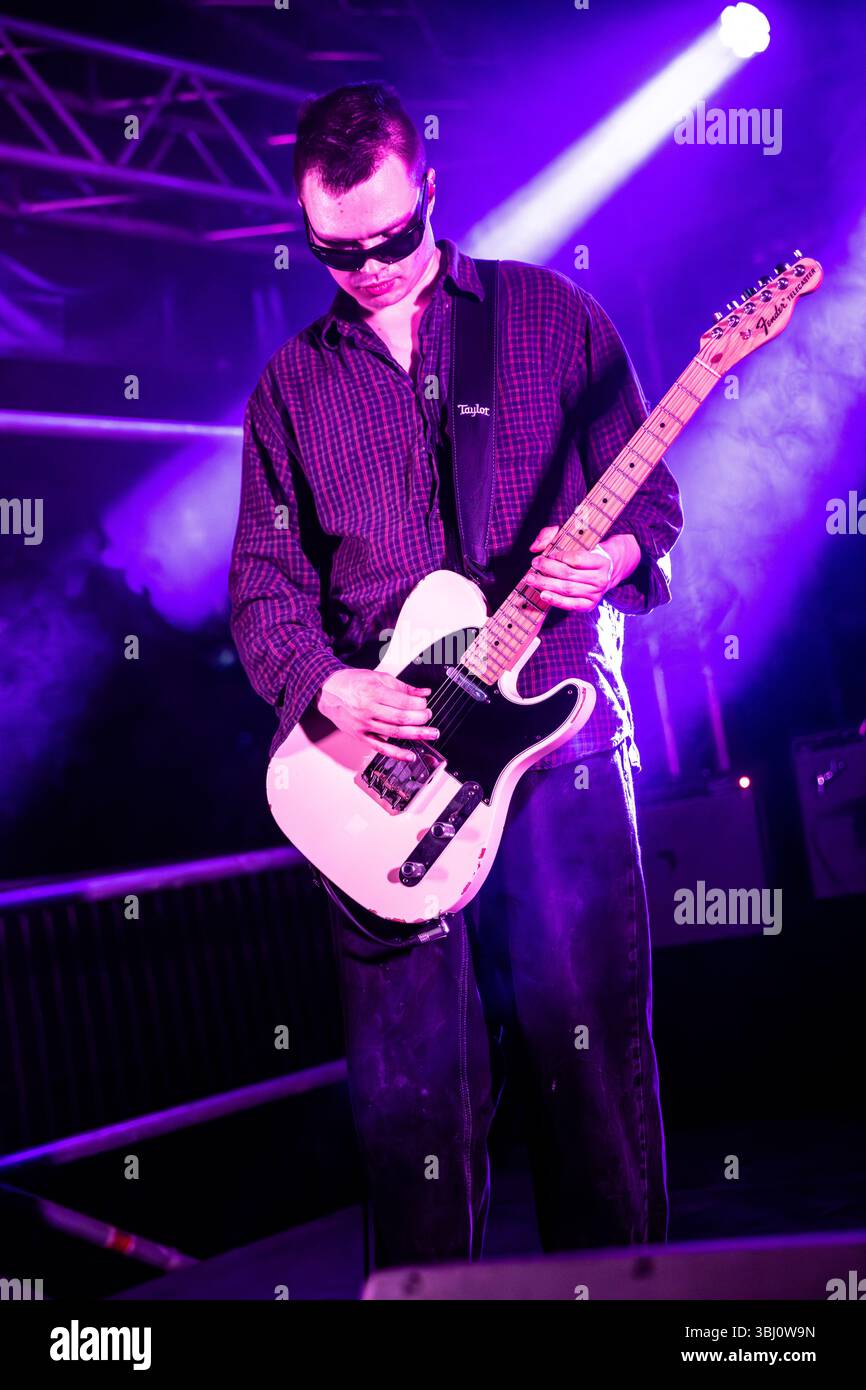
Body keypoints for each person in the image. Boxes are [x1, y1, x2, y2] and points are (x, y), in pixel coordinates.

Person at [229, 81, 683, 1269]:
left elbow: (651, 503)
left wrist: (610, 559)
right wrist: (329, 686)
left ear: (430, 191)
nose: (369, 266)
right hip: (385, 781)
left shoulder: (548, 319)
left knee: (589, 1077)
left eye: (388, 238)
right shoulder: (290, 387)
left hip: (556, 758)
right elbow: (265, 591)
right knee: (409, 1112)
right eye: (335, 250)